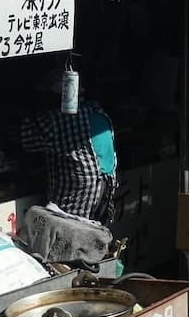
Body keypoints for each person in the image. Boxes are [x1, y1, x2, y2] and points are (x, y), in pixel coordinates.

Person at [19, 74, 118, 223]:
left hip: (78, 199)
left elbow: (24, 140)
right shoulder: (97, 111)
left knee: (68, 238)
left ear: (57, 97)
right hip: (104, 192)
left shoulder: (56, 119)